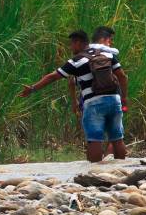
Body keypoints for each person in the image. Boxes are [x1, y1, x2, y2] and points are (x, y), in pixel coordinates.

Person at [20, 30, 129, 162]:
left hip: (93, 103)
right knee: (117, 138)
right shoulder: (108, 54)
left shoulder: (76, 61)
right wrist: (123, 98)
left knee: (94, 140)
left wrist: (32, 88)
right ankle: (121, 171)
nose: (71, 48)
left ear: (78, 42)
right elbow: (122, 76)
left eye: (71, 44)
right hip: (114, 100)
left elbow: (53, 77)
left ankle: (94, 174)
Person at [68, 26, 122, 115]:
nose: (111, 43)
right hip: (110, 100)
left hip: (88, 100)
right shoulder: (109, 55)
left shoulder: (82, 55)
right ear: (102, 39)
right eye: (110, 40)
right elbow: (122, 76)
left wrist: (74, 101)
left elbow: (71, 81)